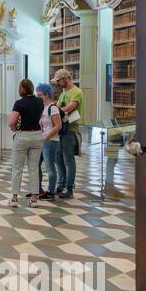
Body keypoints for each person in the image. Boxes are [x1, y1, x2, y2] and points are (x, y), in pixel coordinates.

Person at [7, 78, 44, 207]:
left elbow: (11, 122)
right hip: (37, 135)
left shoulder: (19, 103)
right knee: (34, 168)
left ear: (21, 89)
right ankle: (34, 199)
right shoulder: (40, 101)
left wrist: (14, 129)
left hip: (22, 136)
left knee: (17, 168)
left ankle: (14, 199)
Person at [52, 70, 84, 198]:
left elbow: (68, 107)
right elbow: (58, 107)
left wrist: (54, 111)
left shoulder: (77, 92)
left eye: (59, 81)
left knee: (68, 160)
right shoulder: (64, 93)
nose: (58, 84)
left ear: (65, 78)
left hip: (70, 129)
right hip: (61, 129)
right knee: (58, 157)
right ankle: (61, 183)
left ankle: (69, 188)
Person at [37, 83, 64, 200]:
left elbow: (58, 125)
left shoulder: (52, 108)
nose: (38, 97)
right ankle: (37, 189)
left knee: (50, 167)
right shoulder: (42, 108)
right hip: (43, 140)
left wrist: (46, 137)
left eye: (40, 95)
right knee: (36, 165)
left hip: (51, 141)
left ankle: (51, 192)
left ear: (47, 95)